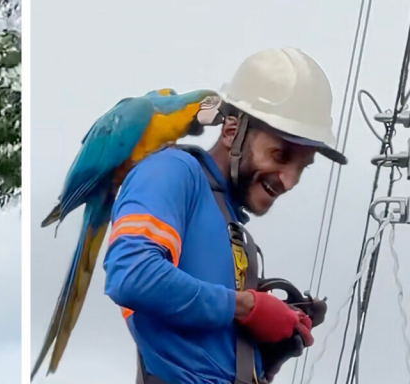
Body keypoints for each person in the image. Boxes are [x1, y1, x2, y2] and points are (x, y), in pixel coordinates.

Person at [103, 47, 346, 383]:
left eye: (301, 167)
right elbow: (131, 274)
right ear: (232, 131)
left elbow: (208, 351)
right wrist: (248, 307)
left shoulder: (230, 224)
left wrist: (268, 353)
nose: (289, 181)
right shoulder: (172, 172)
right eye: (280, 154)